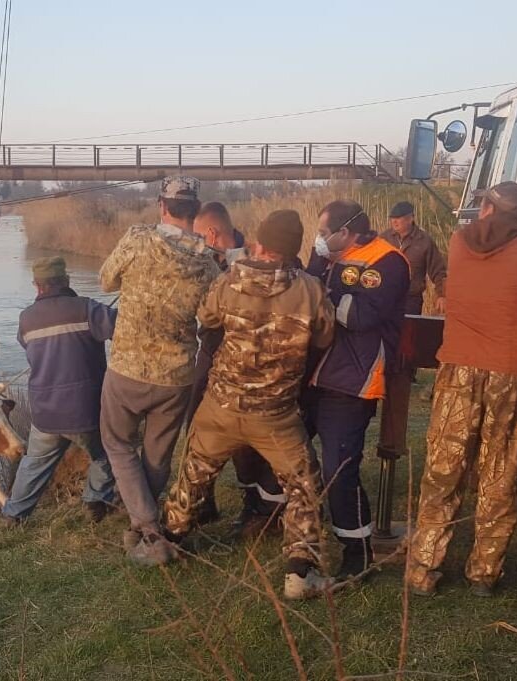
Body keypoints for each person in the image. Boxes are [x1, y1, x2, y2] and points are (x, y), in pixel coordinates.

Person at [164, 209, 336, 599]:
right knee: (304, 487)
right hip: (276, 415)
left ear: (259, 243)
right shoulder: (310, 289)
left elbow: (206, 319)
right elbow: (325, 338)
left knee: (194, 469)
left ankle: (170, 537)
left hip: (222, 405)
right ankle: (299, 573)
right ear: (293, 251)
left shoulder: (230, 279)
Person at [407, 181, 517, 597]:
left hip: (458, 369)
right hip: (510, 373)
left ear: (489, 208)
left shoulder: (458, 241)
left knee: (444, 469)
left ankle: (423, 569)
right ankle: (484, 574)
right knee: (501, 471)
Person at [99, 175, 221, 566]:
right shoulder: (207, 262)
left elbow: (104, 281)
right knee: (157, 455)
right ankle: (142, 527)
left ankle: (148, 527)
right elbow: (210, 316)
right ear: (195, 212)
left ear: (162, 206)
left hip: (128, 369)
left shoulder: (138, 239)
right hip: (177, 375)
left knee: (118, 444)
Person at [306, 200, 410, 578]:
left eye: (323, 232)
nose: (319, 239)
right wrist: (317, 273)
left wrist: (320, 292)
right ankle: (296, 531)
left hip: (354, 380)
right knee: (290, 452)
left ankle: (357, 553)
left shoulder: (387, 260)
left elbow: (361, 315)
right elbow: (306, 287)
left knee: (339, 468)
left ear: (346, 231)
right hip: (314, 374)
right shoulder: (330, 255)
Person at [187, 201, 287, 533]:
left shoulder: (252, 259)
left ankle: (257, 507)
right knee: (197, 429)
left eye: (199, 235)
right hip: (209, 352)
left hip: (245, 358)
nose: (196, 240)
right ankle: (203, 501)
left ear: (212, 232)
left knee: (247, 441)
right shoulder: (199, 258)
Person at [2, 256, 118, 523]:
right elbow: (121, 328)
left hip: (45, 413)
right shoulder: (87, 309)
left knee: (33, 465)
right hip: (86, 412)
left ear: (37, 286)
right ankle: (95, 502)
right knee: (109, 453)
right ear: (66, 280)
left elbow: (26, 345)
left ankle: (13, 515)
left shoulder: (26, 319)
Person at [376, 201, 447, 462]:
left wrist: (443, 294)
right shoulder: (383, 239)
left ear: (410, 219)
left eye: (399, 219)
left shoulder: (425, 241)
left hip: (410, 299)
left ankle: (405, 372)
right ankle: (382, 370)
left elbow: (438, 271)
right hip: (384, 298)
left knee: (406, 344)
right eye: (392, 219)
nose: (394, 223)